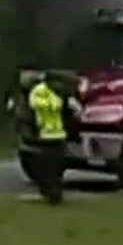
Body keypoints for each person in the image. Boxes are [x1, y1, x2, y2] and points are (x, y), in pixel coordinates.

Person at [23, 71, 71, 205]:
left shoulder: (57, 93)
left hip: (57, 135)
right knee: (47, 168)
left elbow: (65, 111)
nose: (59, 85)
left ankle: (54, 193)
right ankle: (51, 193)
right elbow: (43, 106)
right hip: (45, 135)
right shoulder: (41, 92)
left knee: (56, 168)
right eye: (57, 82)